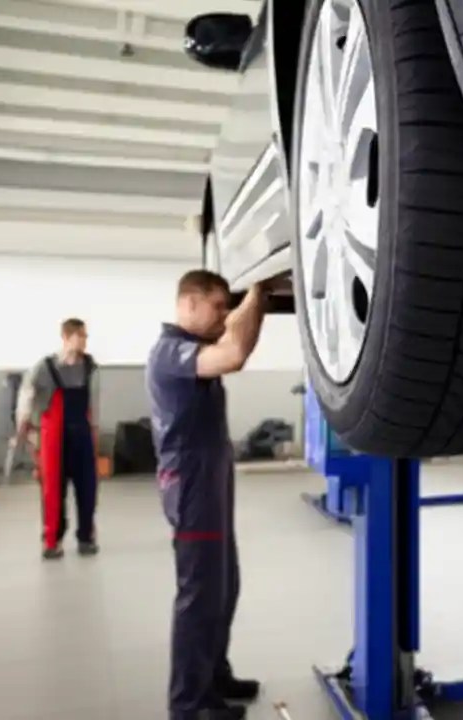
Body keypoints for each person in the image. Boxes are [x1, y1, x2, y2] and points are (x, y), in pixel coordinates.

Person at [146, 270, 268, 720]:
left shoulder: (192, 348)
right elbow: (234, 353)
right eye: (219, 307)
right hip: (192, 485)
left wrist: (254, 304)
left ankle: (213, 676)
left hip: (211, 480)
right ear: (189, 304)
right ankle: (188, 705)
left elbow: (229, 347)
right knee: (199, 593)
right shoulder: (169, 352)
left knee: (223, 586)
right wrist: (258, 292)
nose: (225, 316)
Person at [16, 318, 101, 560]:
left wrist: (95, 430)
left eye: (85, 336)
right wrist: (23, 423)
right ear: (66, 337)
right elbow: (27, 392)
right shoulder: (45, 367)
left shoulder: (89, 366)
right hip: (53, 438)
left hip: (82, 436)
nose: (85, 341)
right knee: (53, 490)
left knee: (88, 489)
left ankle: (86, 537)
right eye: (81, 336)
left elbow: (94, 402)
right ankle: (52, 541)